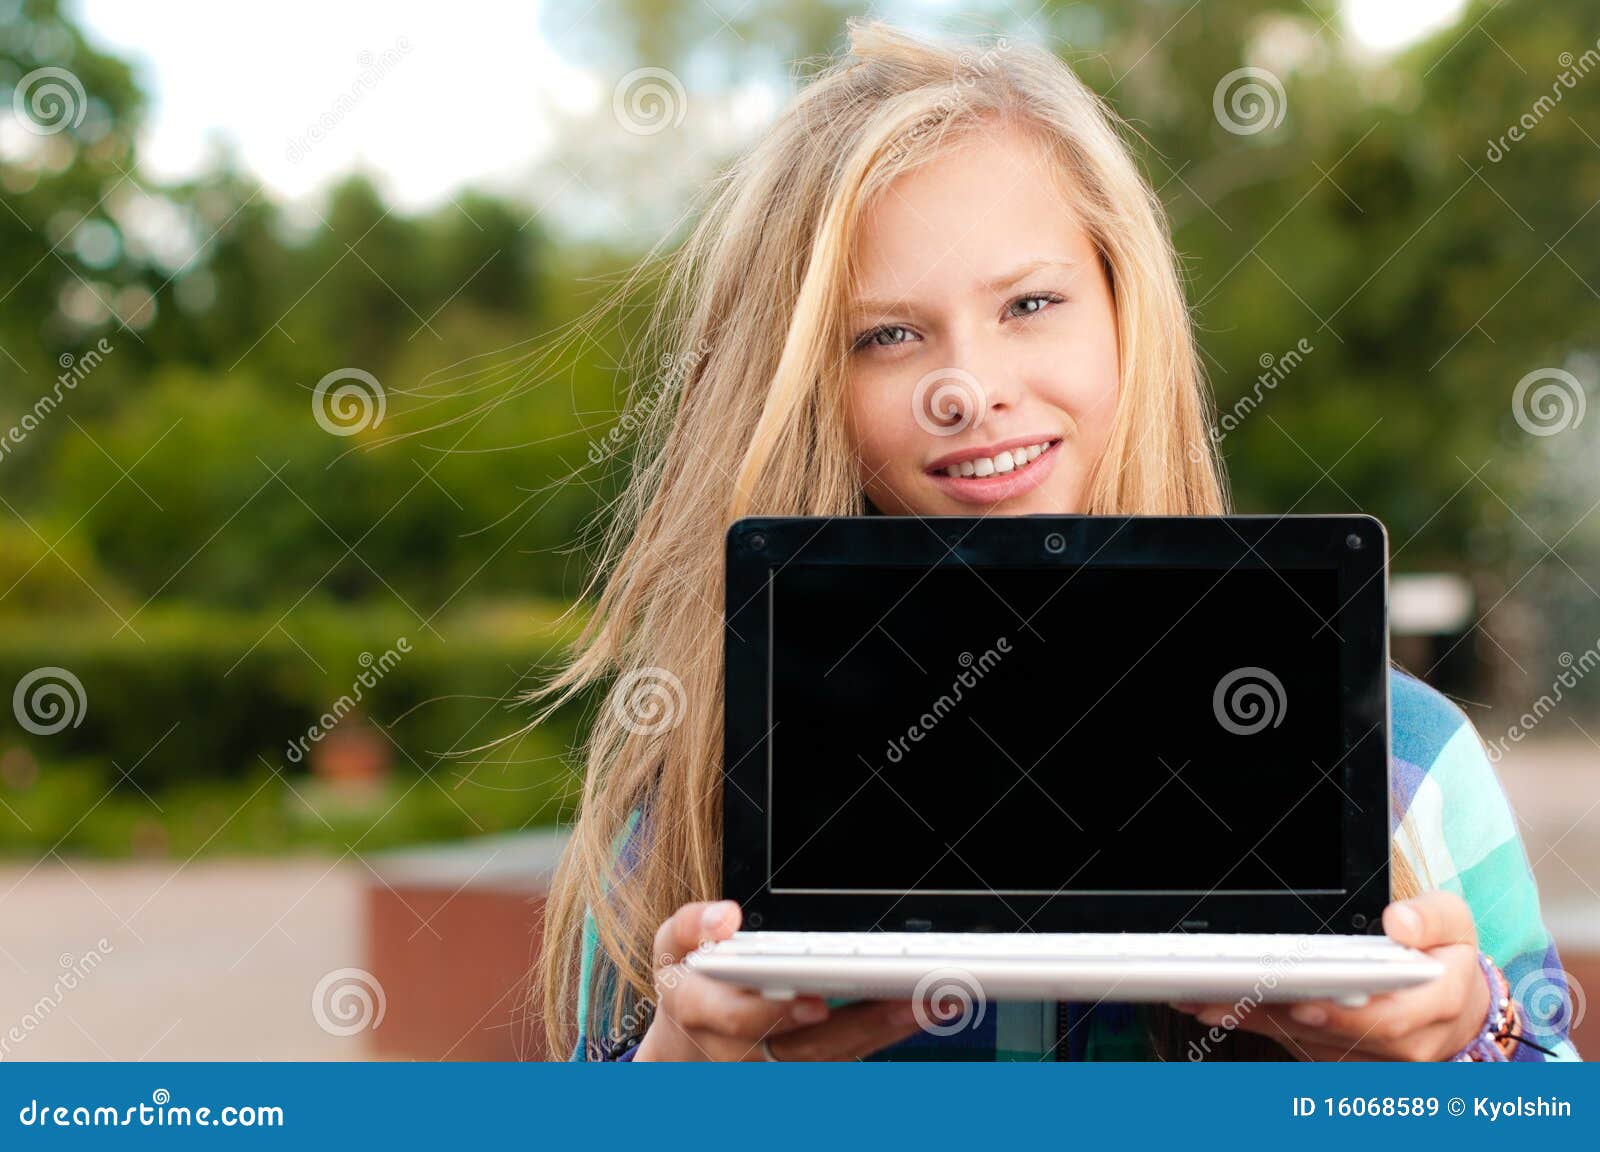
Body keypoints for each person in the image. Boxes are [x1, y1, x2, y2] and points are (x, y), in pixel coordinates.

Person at [530, 19, 1581, 1063]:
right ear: (806, 385)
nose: (967, 390)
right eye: (886, 335)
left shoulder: (1406, 764)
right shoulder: (693, 801)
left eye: (1030, 303)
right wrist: (679, 1076)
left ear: (1129, 313)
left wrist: (1460, 1047)